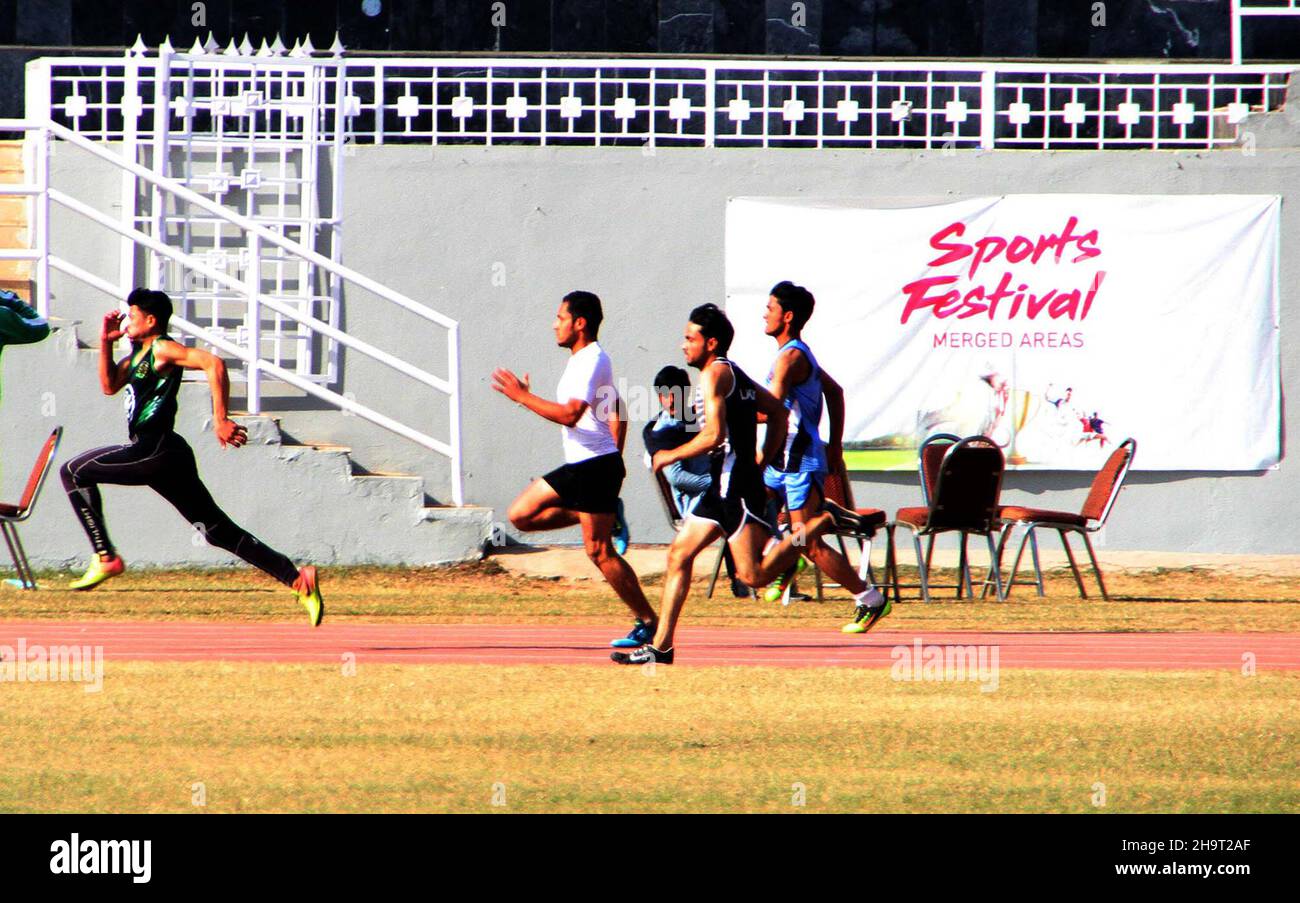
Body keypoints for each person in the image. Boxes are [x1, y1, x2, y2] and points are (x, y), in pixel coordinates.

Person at [612, 303, 876, 665]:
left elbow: (713, 434)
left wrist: (670, 455)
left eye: (690, 338)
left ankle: (822, 521)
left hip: (737, 491)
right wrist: (762, 458)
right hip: (720, 489)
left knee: (754, 576)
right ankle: (662, 647)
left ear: (711, 342)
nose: (683, 345)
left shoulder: (715, 375)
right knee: (678, 555)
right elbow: (779, 413)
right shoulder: (731, 372)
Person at [59, 289, 324, 624]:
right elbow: (110, 385)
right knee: (215, 530)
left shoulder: (162, 348)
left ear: (151, 320)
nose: (127, 321)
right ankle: (298, 580)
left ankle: (105, 556)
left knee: (73, 471)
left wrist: (221, 418)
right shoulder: (138, 355)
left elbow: (213, 363)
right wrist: (106, 341)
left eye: (133, 315)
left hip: (155, 449)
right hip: (166, 456)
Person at [492, 290, 656, 648]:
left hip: (595, 467)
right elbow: (616, 407)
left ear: (579, 323)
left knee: (598, 552)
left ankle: (648, 621)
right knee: (520, 515)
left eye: (560, 318)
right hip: (584, 465)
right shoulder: (580, 361)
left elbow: (570, 414)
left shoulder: (594, 359)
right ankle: (607, 515)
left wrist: (522, 397)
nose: (554, 324)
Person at [760, 281, 888, 633]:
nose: (764, 314)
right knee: (746, 504)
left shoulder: (792, 358)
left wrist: (724, 407)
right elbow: (834, 391)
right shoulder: (793, 355)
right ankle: (786, 556)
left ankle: (869, 599)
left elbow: (771, 411)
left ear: (786, 317)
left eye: (769, 308)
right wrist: (835, 444)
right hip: (782, 458)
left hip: (799, 459)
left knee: (810, 543)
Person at [642, 364, 749, 600]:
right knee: (737, 506)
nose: (671, 399)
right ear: (659, 396)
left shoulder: (695, 420)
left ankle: (766, 571)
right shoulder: (661, 431)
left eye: (677, 393)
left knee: (756, 498)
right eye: (666, 394)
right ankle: (749, 575)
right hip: (695, 501)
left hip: (714, 491)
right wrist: (715, 482)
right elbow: (677, 478)